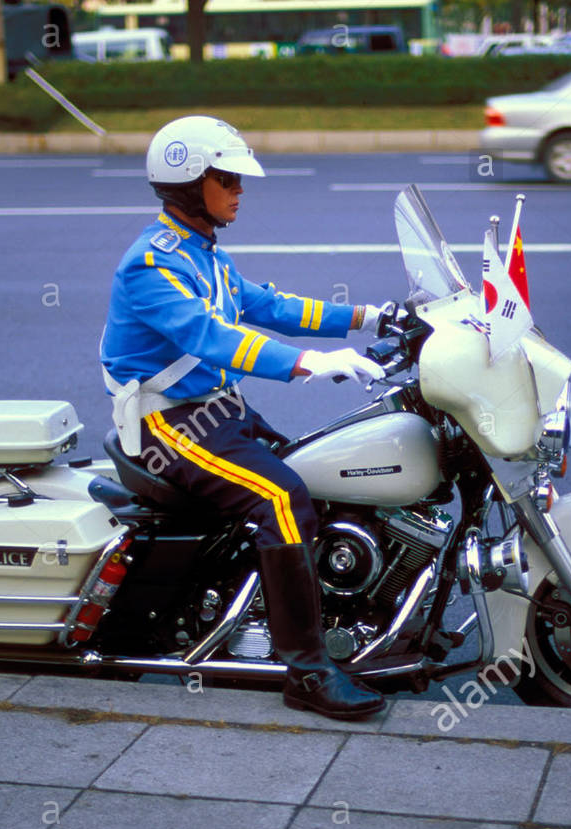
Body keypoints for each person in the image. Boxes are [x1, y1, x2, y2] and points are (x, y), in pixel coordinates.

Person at [100, 115, 390, 721]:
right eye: (227, 177)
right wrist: (310, 364)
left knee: (327, 471)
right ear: (188, 184)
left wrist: (371, 317)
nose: (239, 189)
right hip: (172, 427)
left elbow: (269, 306)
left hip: (220, 412)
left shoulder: (205, 253)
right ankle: (307, 671)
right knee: (282, 498)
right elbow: (212, 338)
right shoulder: (150, 264)